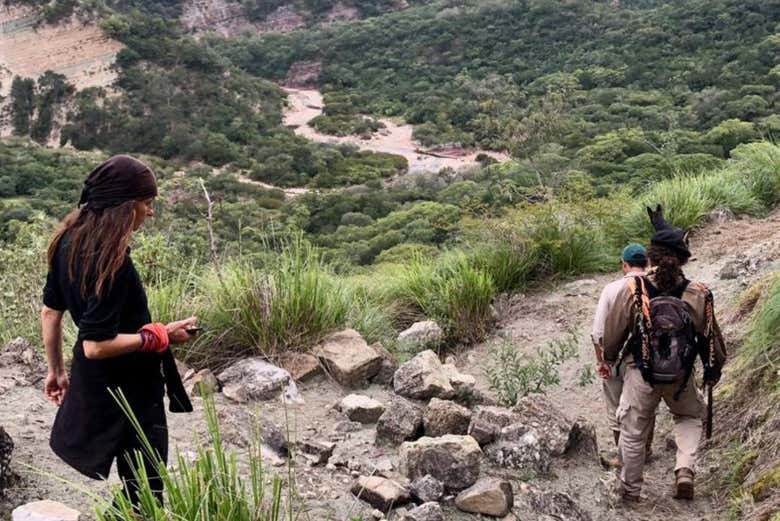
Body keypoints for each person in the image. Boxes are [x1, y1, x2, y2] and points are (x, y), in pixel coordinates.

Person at [40, 155, 196, 507]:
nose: (150, 212)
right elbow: (96, 344)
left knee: (136, 484)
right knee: (145, 489)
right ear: (124, 207)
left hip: (98, 382)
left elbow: (50, 312)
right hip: (132, 387)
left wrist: (57, 372)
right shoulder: (113, 262)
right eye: (146, 202)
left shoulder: (67, 241)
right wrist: (160, 336)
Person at [600, 205, 726, 502]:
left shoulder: (634, 289)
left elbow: (613, 336)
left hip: (640, 373)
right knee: (688, 418)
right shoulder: (699, 292)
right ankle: (684, 470)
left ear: (651, 256)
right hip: (681, 376)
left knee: (632, 431)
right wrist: (713, 371)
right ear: (683, 259)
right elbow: (713, 341)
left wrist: (610, 359)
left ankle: (630, 490)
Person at [591, 243, 656, 467]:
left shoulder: (611, 289)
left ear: (624, 265)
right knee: (646, 404)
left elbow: (598, 331)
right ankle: (645, 450)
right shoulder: (658, 284)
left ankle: (623, 457)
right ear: (647, 263)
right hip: (650, 356)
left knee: (616, 404)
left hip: (618, 356)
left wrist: (602, 361)